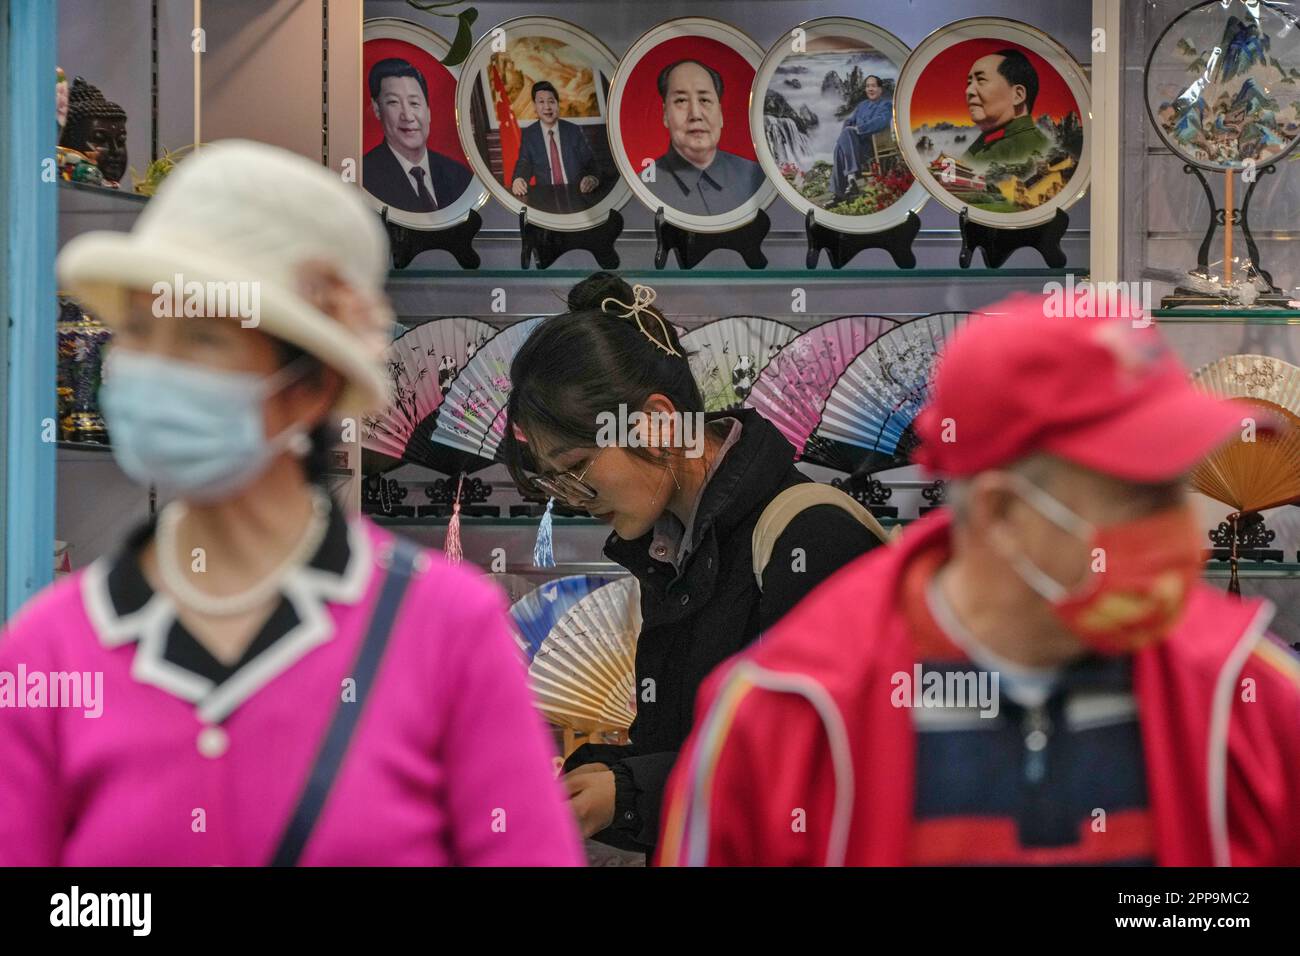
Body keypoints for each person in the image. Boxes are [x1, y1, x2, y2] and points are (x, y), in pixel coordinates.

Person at [0, 140, 581, 867]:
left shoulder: (445, 630)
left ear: (308, 387)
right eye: (140, 334)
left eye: (202, 338)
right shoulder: (49, 648)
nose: (151, 371)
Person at [660, 292, 1300, 866]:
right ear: (1000, 512)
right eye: (1138, 498)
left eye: (1175, 489)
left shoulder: (1252, 697)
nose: (1186, 537)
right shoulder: (785, 717)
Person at [500, 272, 885, 860]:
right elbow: (697, 746)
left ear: (657, 422)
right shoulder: (674, 552)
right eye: (555, 481)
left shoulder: (810, 538)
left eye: (577, 465)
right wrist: (600, 778)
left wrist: (629, 792)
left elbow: (828, 769)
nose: (572, 497)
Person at [646, 60, 766, 217]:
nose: (695, 114)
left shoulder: (756, 176)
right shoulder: (644, 187)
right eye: (681, 101)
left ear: (721, 114)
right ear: (665, 114)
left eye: (704, 100)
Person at [363, 58, 473, 213]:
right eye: (393, 102)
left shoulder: (460, 175)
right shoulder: (363, 176)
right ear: (376, 109)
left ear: (428, 112)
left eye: (414, 103)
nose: (407, 116)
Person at [959, 49, 1051, 169]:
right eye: (969, 83)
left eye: (981, 80)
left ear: (1017, 95)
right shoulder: (988, 142)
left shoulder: (1026, 151)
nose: (968, 91)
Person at [510, 80, 600, 201]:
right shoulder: (529, 135)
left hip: (577, 194)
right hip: (546, 198)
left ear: (557, 105)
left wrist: (592, 178)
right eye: (541, 102)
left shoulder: (573, 131)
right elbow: (524, 164)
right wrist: (518, 179)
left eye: (551, 101)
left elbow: (591, 163)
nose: (547, 107)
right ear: (534, 107)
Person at [830, 74, 893, 201]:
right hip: (855, 148)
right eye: (868, 86)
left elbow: (881, 121)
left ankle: (840, 193)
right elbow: (850, 121)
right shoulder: (862, 106)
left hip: (871, 146)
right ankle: (850, 180)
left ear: (880, 89)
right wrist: (847, 132)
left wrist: (859, 129)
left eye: (873, 86)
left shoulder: (886, 105)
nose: (870, 89)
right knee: (841, 144)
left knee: (841, 145)